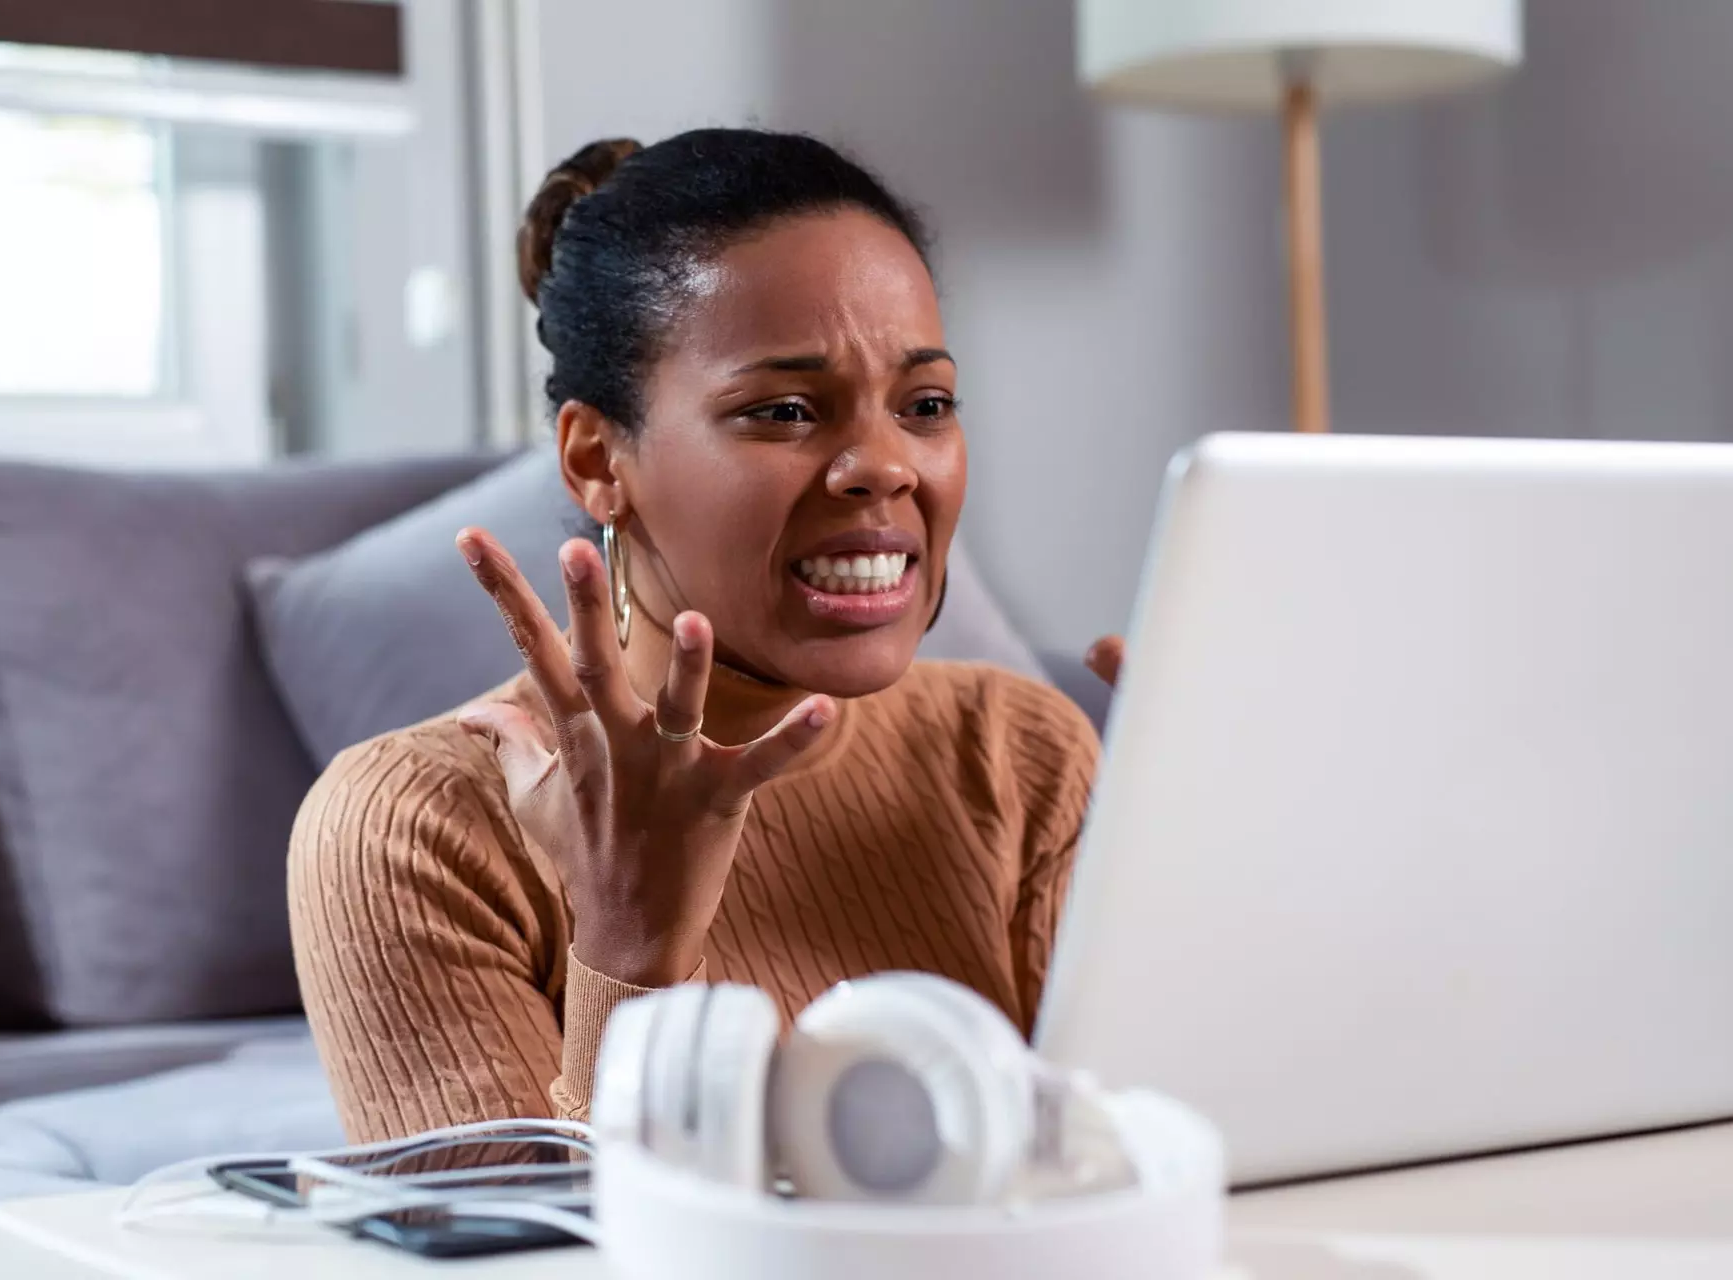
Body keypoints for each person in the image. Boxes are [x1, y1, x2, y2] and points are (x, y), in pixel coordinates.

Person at [288, 129, 1123, 1144]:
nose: (883, 465)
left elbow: (1145, 1188)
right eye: (783, 409)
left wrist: (1253, 878)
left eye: (926, 404)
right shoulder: (410, 830)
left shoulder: (1018, 752)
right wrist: (628, 948)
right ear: (599, 459)